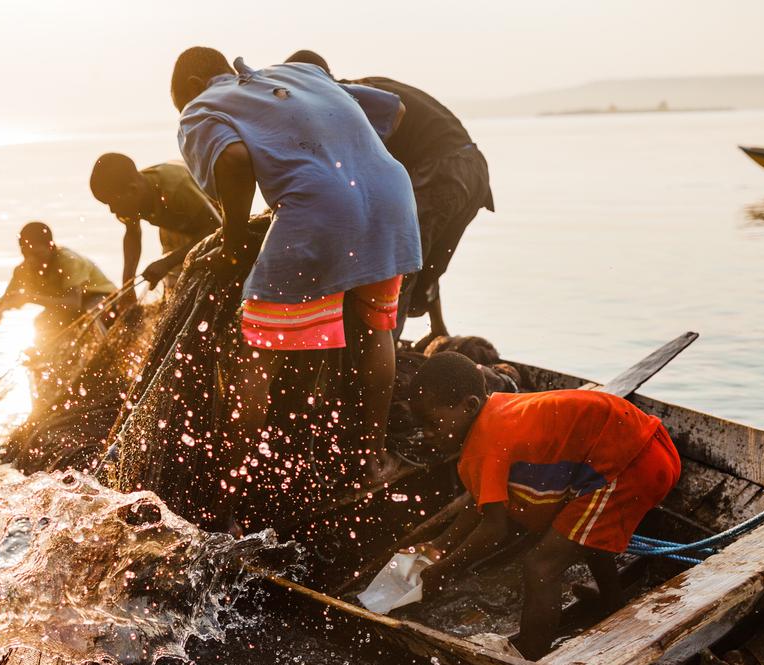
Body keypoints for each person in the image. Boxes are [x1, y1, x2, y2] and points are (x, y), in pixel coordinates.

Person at [170, 47, 422, 512]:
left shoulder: (200, 106)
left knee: (256, 360)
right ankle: (370, 461)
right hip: (392, 198)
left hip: (319, 212)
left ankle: (229, 499)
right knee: (376, 329)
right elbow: (394, 108)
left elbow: (231, 160)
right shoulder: (300, 74)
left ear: (188, 85)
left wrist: (233, 242)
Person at [409, 352, 681, 659]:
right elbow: (482, 499)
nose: (426, 434)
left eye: (431, 423)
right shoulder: (498, 410)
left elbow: (493, 528)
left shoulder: (483, 447)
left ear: (469, 405)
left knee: (541, 565)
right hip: (643, 446)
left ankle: (531, 654)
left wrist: (444, 571)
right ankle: (612, 604)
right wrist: (437, 545)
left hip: (631, 464)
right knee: (585, 531)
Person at [284, 50, 493, 346]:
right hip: (471, 171)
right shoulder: (363, 89)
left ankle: (386, 348)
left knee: (399, 261)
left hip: (443, 172)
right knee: (420, 258)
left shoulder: (344, 99)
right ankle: (437, 329)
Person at [89, 153, 219, 295]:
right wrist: (128, 284)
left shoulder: (175, 188)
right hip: (174, 225)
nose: (112, 210)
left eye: (112, 203)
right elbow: (133, 233)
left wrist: (167, 262)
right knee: (175, 288)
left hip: (210, 217)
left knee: (204, 280)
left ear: (133, 190)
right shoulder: (129, 199)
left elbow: (215, 228)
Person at [0, 221, 117, 345]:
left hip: (102, 299)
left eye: (36, 254)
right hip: (71, 307)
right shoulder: (23, 270)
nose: (31, 261)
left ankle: (105, 350)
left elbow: (73, 304)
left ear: (51, 246)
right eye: (25, 254)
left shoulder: (69, 261)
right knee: (41, 323)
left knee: (91, 316)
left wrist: (30, 298)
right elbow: (4, 300)